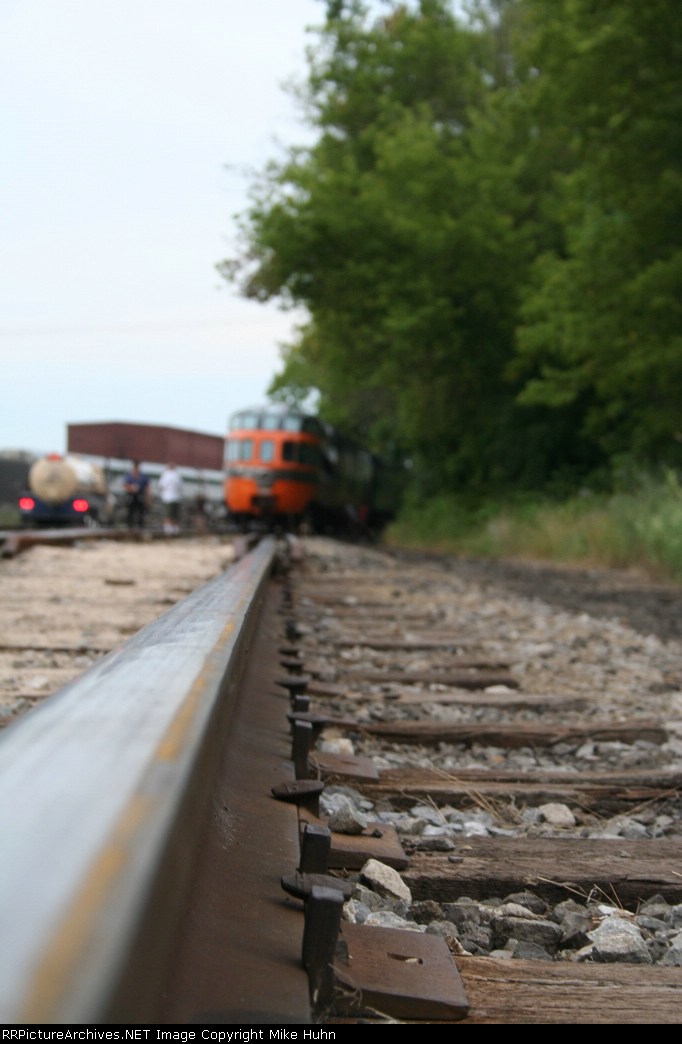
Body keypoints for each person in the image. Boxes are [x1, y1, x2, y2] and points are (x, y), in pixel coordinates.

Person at [123, 461, 151, 530]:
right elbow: (125, 486)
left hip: (140, 497)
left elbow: (147, 488)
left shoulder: (143, 477)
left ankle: (140, 529)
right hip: (131, 497)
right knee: (130, 513)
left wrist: (148, 499)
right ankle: (129, 528)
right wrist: (132, 488)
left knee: (141, 514)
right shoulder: (129, 476)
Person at [158, 462, 183, 534]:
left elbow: (161, 486)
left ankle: (169, 531)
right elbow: (180, 487)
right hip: (174, 498)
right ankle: (172, 531)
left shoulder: (167, 475)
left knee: (169, 515)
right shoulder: (176, 475)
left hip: (169, 498)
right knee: (172, 515)